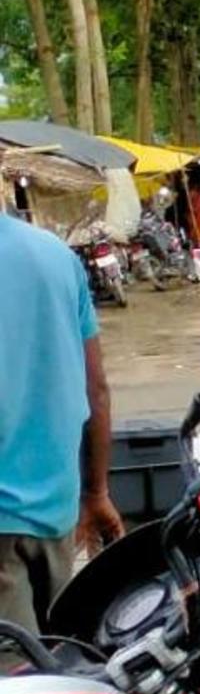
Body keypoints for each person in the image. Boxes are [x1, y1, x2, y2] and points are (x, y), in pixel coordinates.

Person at [0, 213, 124, 634]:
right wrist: (96, 491)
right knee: (59, 653)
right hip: (58, 511)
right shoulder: (55, 256)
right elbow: (96, 388)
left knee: (17, 671)